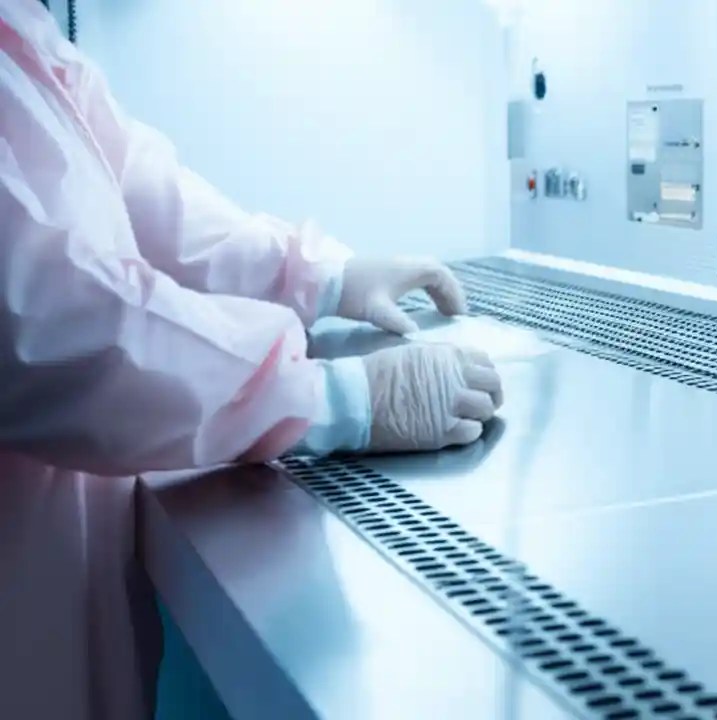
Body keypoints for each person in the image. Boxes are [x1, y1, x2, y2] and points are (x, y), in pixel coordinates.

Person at [0, 1, 503, 717]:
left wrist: (320, 275)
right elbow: (43, 323)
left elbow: (133, 181)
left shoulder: (20, 29)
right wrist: (330, 401)